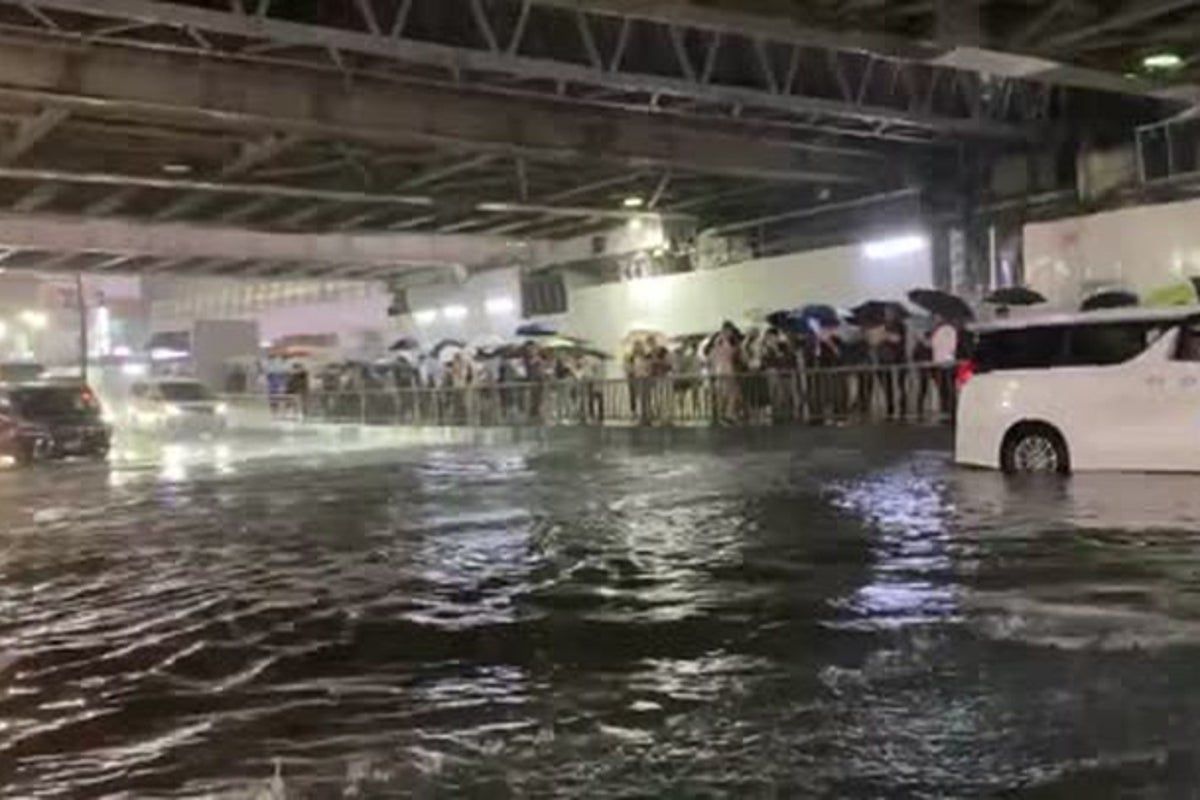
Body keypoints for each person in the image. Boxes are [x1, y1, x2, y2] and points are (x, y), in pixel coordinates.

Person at [929, 314, 959, 419]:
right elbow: (933, 345)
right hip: (938, 363)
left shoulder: (949, 330)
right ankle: (945, 408)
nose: (935, 319)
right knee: (942, 388)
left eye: (937, 317)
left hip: (947, 363)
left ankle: (952, 409)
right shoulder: (936, 331)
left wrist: (946, 355)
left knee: (949, 387)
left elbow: (952, 346)